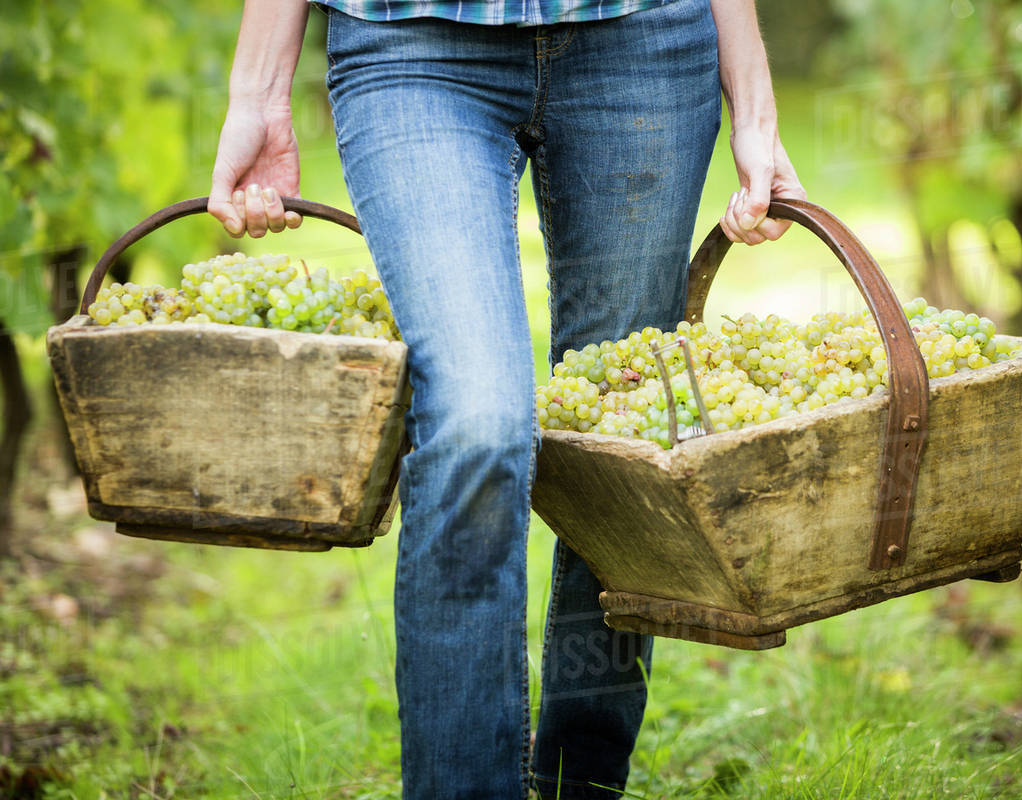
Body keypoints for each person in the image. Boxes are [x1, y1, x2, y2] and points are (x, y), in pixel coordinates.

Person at [208, 0, 803, 797]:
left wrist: (754, 108)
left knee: (622, 445)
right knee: (477, 422)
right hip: (410, 44)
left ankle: (582, 781)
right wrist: (258, 94)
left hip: (644, 42)